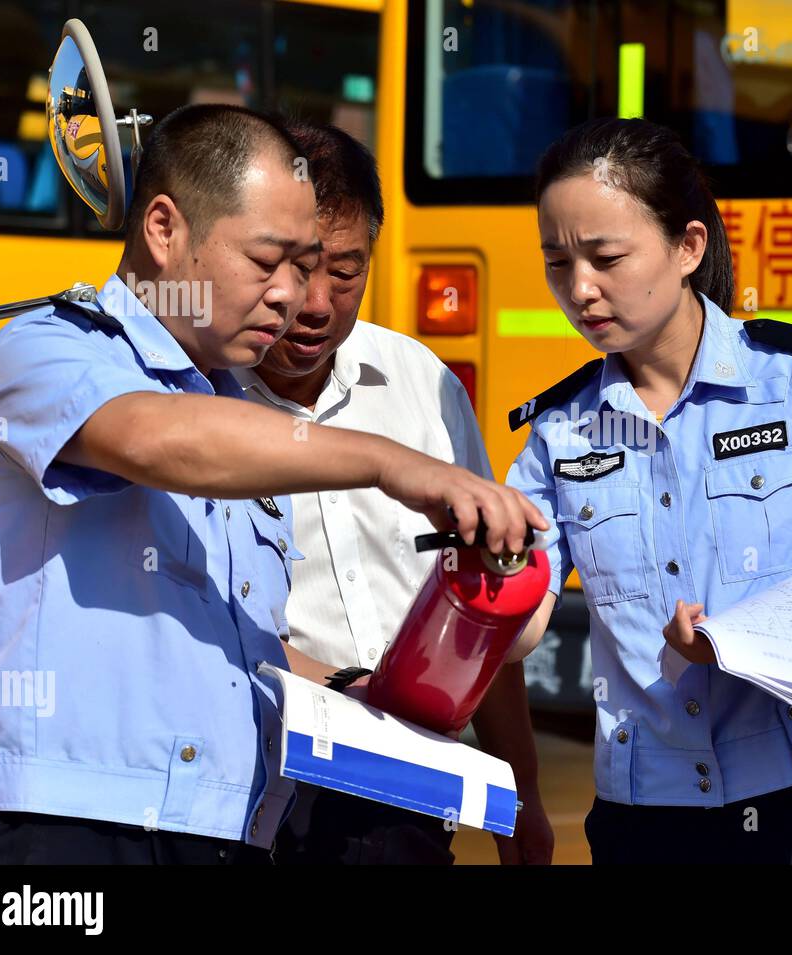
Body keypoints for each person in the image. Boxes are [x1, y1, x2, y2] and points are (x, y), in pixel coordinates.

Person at [0, 104, 544, 864]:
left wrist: (362, 689)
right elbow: (152, 437)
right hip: (71, 834)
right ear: (165, 230)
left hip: (226, 834)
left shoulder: (231, 407)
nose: (295, 296)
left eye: (313, 265)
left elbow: (239, 643)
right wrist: (394, 462)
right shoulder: (45, 350)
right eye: (269, 262)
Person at [506, 118, 792, 864]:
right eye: (556, 262)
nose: (579, 289)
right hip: (648, 810)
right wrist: (473, 591)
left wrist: (727, 640)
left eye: (605, 257)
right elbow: (523, 614)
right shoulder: (559, 430)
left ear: (688, 247)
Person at [238, 121, 553, 864]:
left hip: (403, 799)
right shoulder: (201, 394)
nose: (315, 303)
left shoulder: (422, 382)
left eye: (344, 272)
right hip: (249, 785)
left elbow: (485, 617)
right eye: (295, 268)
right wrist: (339, 688)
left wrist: (525, 796)